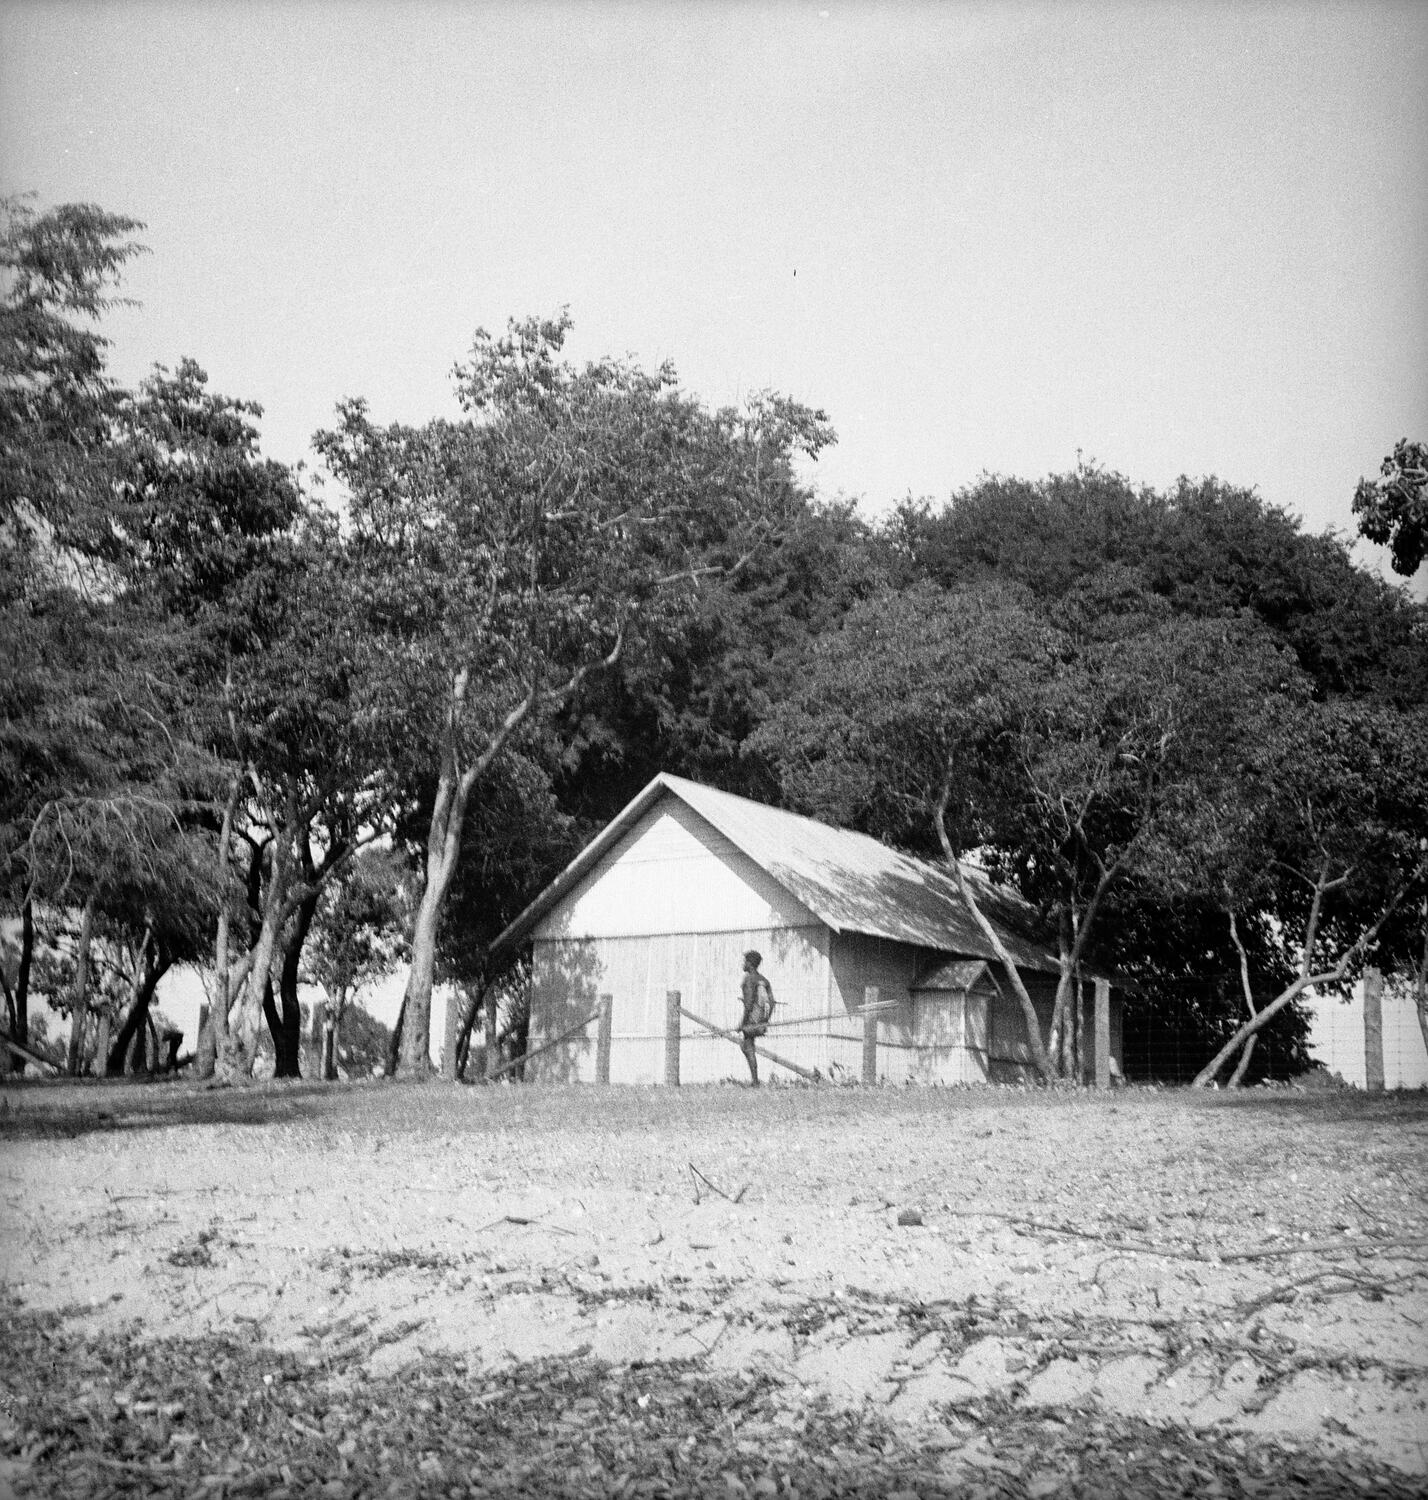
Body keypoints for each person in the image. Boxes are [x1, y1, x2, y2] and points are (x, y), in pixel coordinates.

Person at [738, 950, 773, 1087]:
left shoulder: (748, 980)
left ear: (750, 964)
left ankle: (755, 1081)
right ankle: (755, 1080)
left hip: (751, 1020)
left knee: (747, 1046)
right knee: (747, 1046)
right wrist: (765, 1020)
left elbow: (749, 1003)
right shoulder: (764, 980)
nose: (743, 964)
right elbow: (772, 1002)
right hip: (761, 1021)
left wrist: (742, 1023)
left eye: (745, 961)